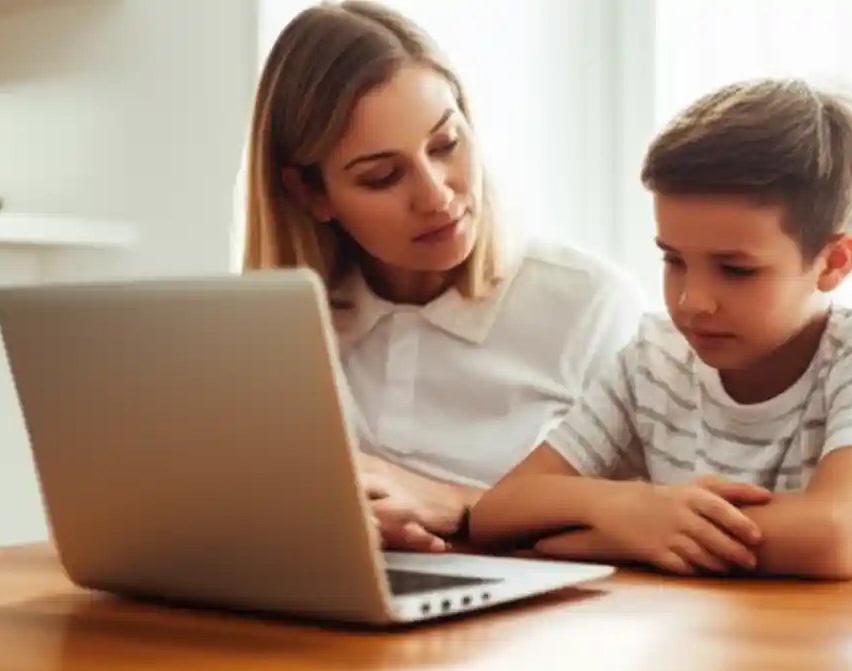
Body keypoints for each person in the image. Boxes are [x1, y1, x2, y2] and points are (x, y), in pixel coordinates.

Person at [471, 79, 852, 580]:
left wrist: (621, 535)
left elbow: (835, 536)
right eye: (673, 260)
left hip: (838, 654)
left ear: (833, 262)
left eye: (736, 270)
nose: (692, 301)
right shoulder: (654, 358)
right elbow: (499, 513)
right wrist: (626, 509)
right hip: (697, 651)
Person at [242, 1, 644, 552]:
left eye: (446, 145)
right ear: (310, 194)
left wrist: (451, 503)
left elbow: (642, 521)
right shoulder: (274, 325)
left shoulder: (588, 305)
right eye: (383, 176)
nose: (437, 195)